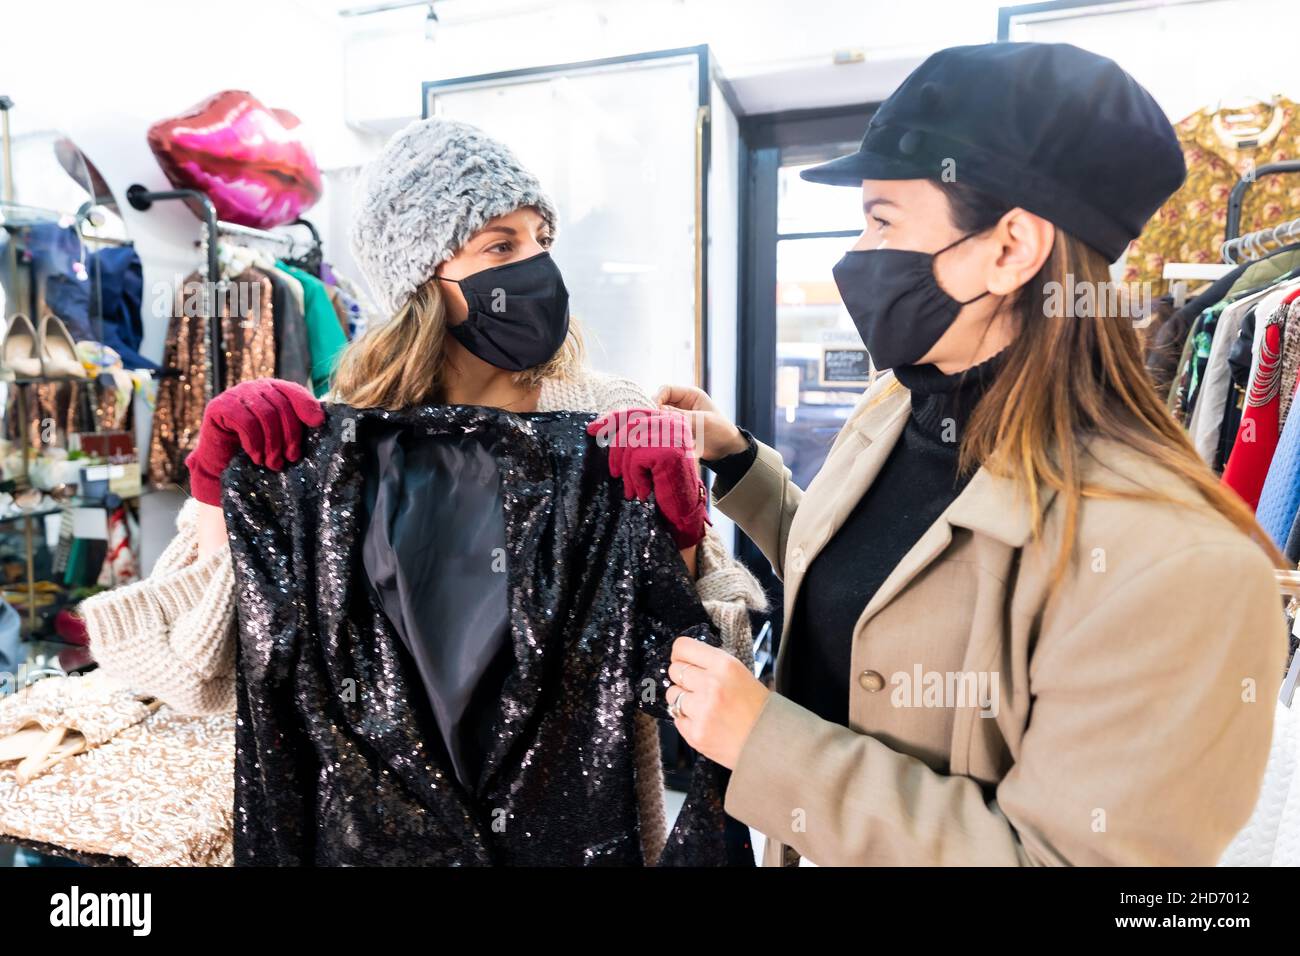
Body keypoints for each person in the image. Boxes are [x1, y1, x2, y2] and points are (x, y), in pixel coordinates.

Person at [594, 41, 1290, 866]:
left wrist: (767, 746)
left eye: (882, 218)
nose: (856, 254)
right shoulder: (900, 403)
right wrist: (738, 460)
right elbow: (880, 584)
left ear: (1010, 249)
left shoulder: (1175, 562)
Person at [81, 117, 765, 865]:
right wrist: (217, 491)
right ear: (420, 282)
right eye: (501, 246)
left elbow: (710, 665)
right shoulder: (328, 445)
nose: (536, 268)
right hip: (374, 840)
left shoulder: (607, 416)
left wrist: (688, 533)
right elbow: (191, 675)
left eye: (542, 240)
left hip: (569, 835)